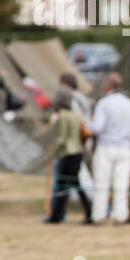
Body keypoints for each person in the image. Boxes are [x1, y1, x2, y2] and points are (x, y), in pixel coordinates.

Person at [87, 72, 130, 224]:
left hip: (106, 147)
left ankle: (99, 215)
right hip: (125, 148)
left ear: (107, 86)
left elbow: (97, 127)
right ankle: (120, 215)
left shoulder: (104, 103)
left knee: (102, 183)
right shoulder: (129, 103)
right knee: (121, 183)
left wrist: (87, 123)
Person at [43, 88, 92, 223]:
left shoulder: (62, 116)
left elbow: (61, 139)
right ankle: (83, 212)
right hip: (77, 153)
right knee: (71, 184)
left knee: (62, 185)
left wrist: (50, 155)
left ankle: (57, 215)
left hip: (67, 154)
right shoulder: (76, 115)